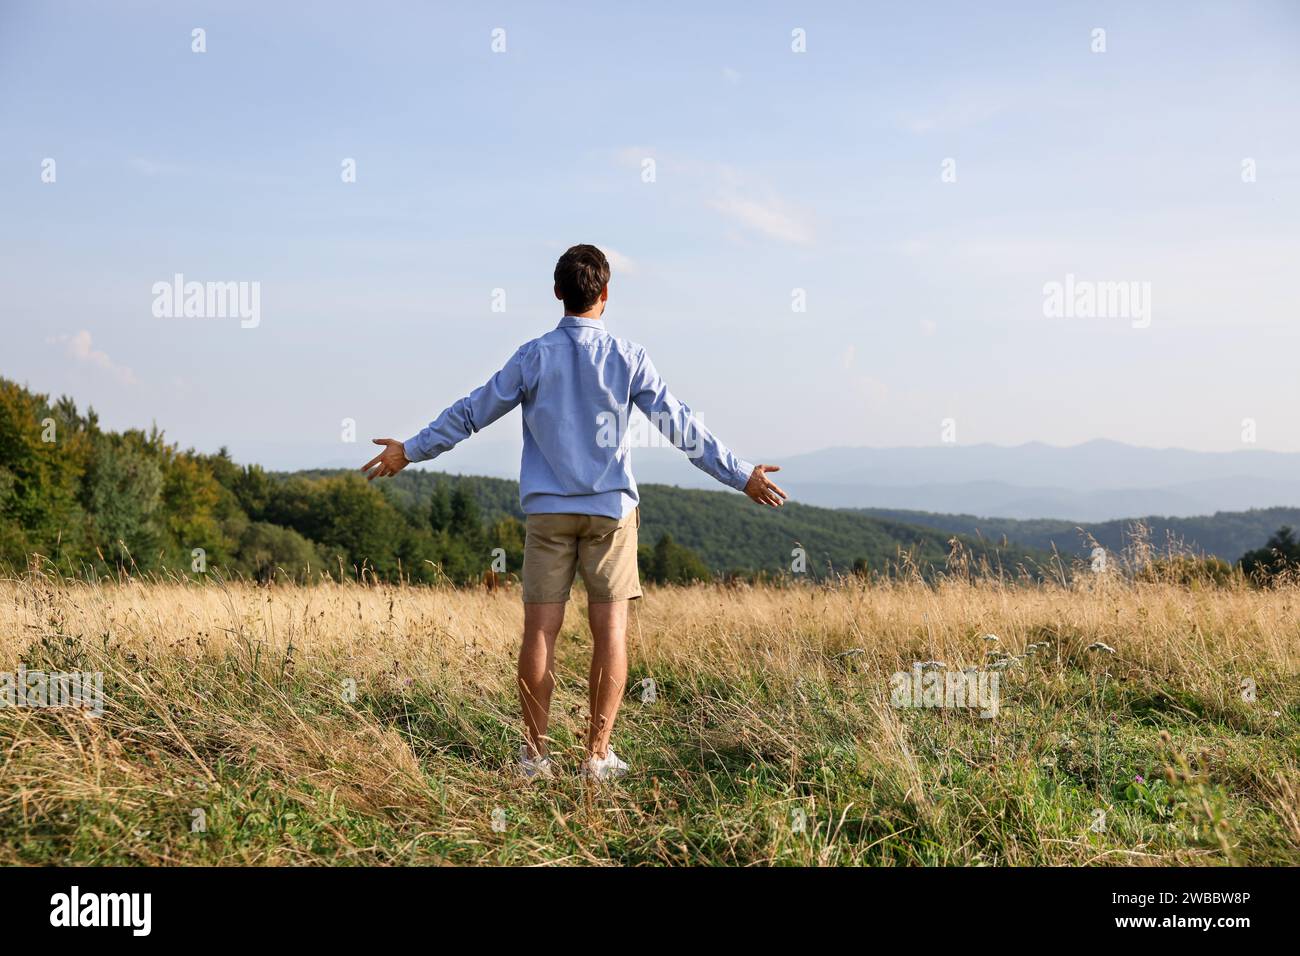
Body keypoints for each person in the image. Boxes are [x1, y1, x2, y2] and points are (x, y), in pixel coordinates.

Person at [362, 244, 786, 780]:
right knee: (610, 632)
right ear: (605, 294)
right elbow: (683, 429)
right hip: (610, 514)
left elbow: (472, 413)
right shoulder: (629, 358)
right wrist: (740, 474)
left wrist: (411, 449)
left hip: (547, 515)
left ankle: (535, 757)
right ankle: (597, 756)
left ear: (558, 292)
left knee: (540, 631)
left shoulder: (533, 356)